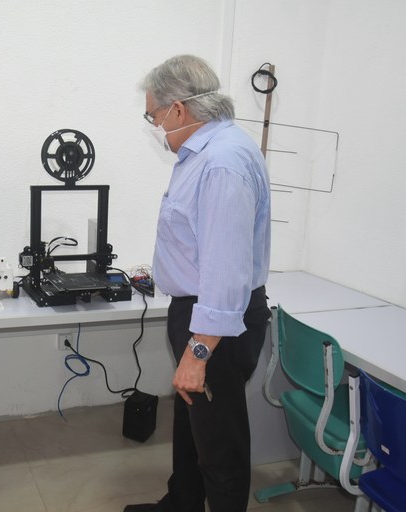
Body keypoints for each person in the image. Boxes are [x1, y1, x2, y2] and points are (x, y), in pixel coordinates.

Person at [125, 55, 272, 512]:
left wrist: (199, 351)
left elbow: (226, 272)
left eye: (153, 116)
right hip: (198, 312)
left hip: (215, 322)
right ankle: (181, 503)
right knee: (193, 424)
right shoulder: (204, 153)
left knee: (219, 444)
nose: (154, 126)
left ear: (178, 109)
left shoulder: (222, 163)